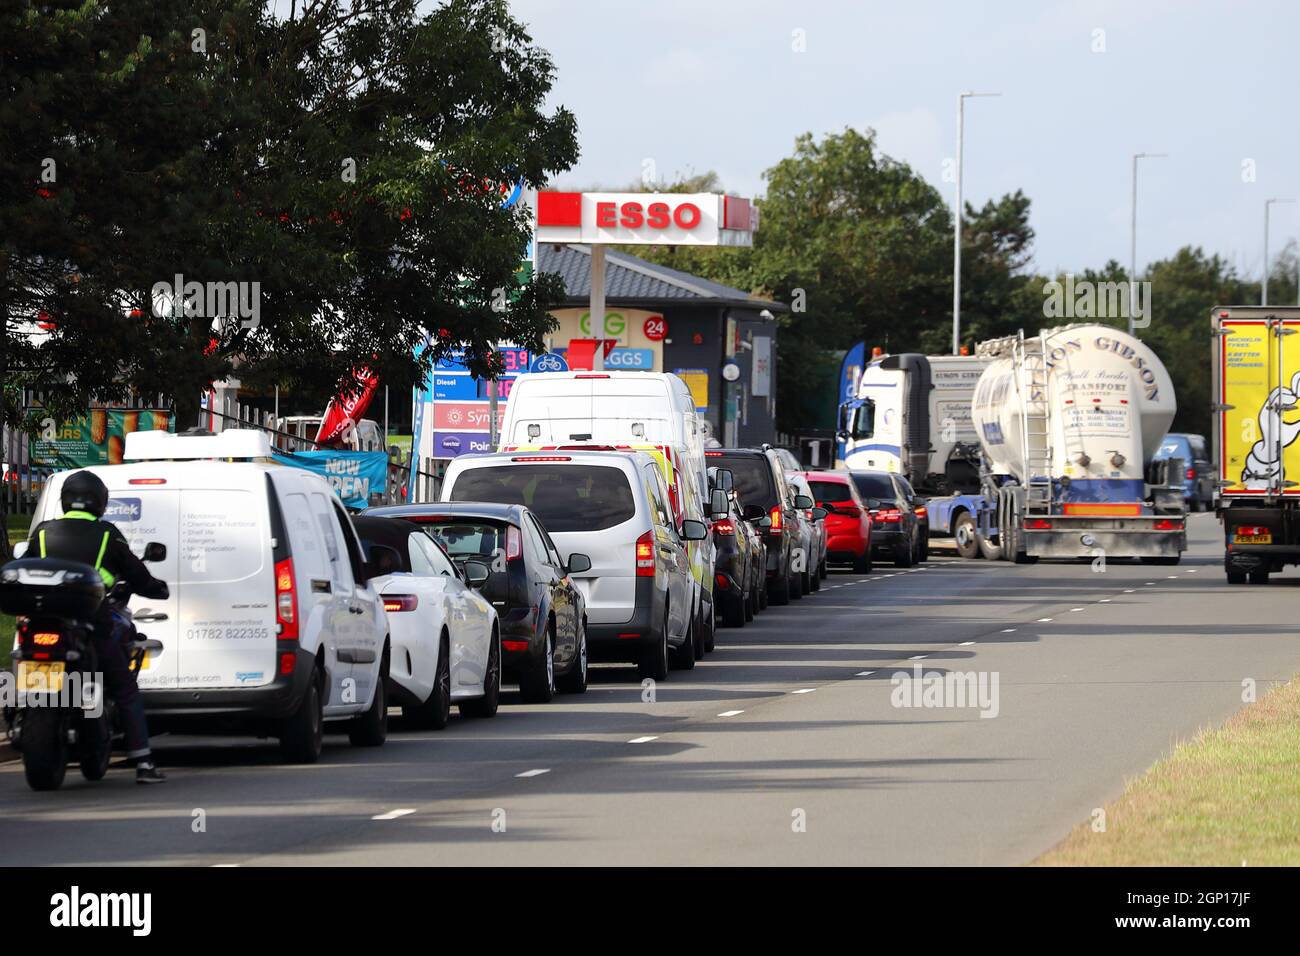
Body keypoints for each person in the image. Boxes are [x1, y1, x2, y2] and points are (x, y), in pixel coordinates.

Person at [28, 470, 170, 783]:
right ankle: (144, 763)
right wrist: (157, 588)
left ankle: (20, 711)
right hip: (92, 620)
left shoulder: (42, 531)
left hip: (43, 619)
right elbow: (136, 574)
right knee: (124, 688)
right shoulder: (107, 534)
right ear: (99, 501)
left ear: (66, 500)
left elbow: (27, 564)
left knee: (27, 675)